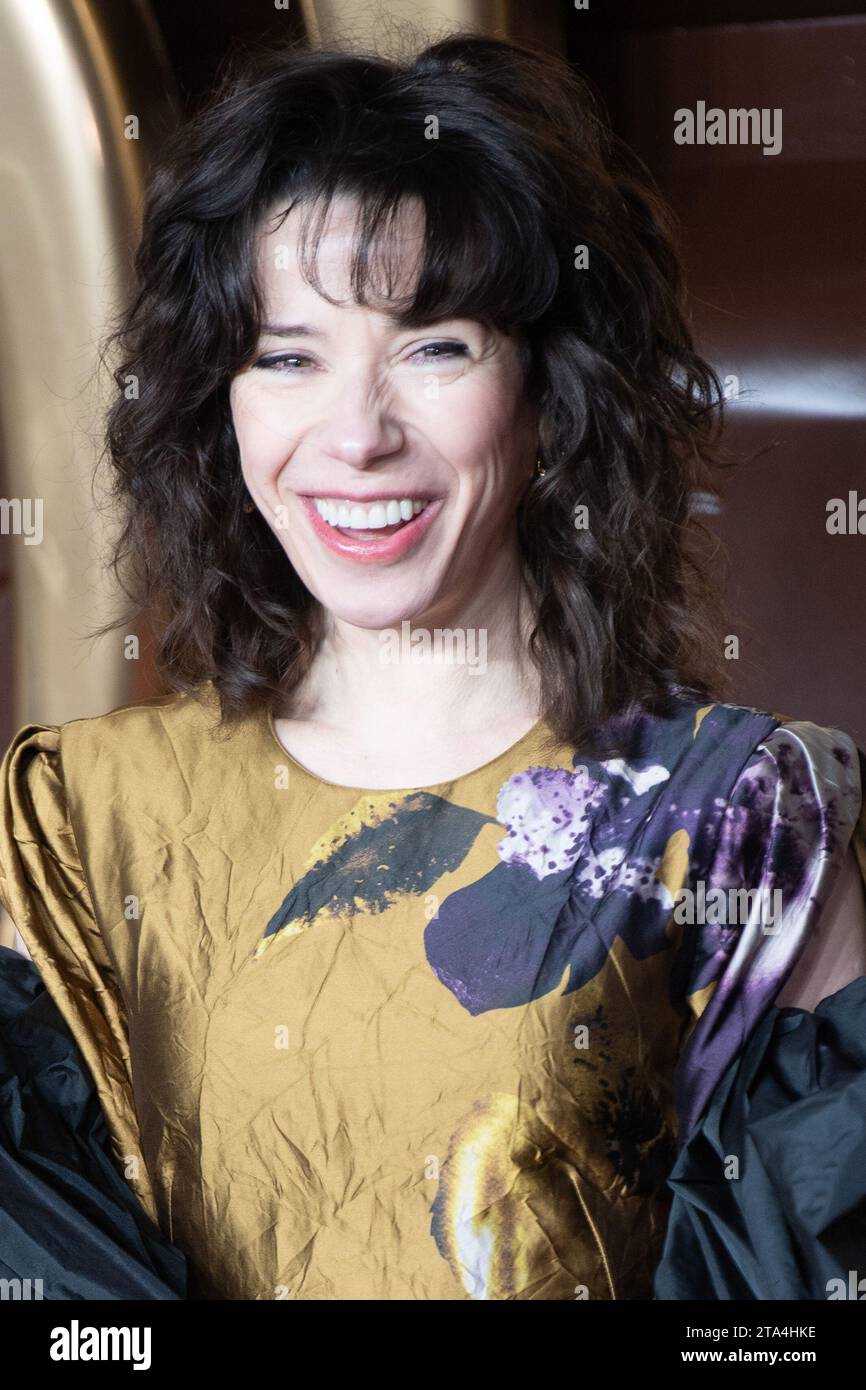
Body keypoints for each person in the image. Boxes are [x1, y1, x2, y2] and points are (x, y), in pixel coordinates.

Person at [1, 32, 864, 1302]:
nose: (354, 434)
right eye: (286, 356)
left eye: (433, 345)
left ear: (547, 392)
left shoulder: (739, 821)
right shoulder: (77, 822)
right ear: (219, 404)